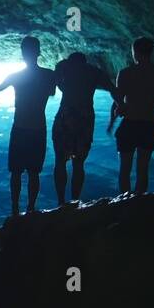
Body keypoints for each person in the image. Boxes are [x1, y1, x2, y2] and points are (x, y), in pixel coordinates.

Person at [0, 36, 56, 216]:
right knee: (34, 172)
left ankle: (15, 209)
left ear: (22, 54)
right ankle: (31, 208)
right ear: (39, 52)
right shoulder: (49, 75)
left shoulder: (15, 76)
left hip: (20, 128)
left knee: (16, 172)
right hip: (38, 128)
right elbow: (52, 93)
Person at [51, 52, 118, 206]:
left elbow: (52, 87)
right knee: (79, 163)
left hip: (66, 116)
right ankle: (75, 201)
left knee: (60, 161)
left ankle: (61, 202)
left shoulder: (64, 67)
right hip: (85, 117)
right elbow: (112, 89)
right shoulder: (94, 72)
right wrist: (122, 106)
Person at [113, 37, 154, 194]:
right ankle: (139, 203)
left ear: (135, 52)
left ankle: (124, 203)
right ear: (151, 52)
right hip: (148, 125)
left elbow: (118, 98)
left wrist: (121, 108)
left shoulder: (125, 73)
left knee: (124, 170)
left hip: (129, 124)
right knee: (143, 169)